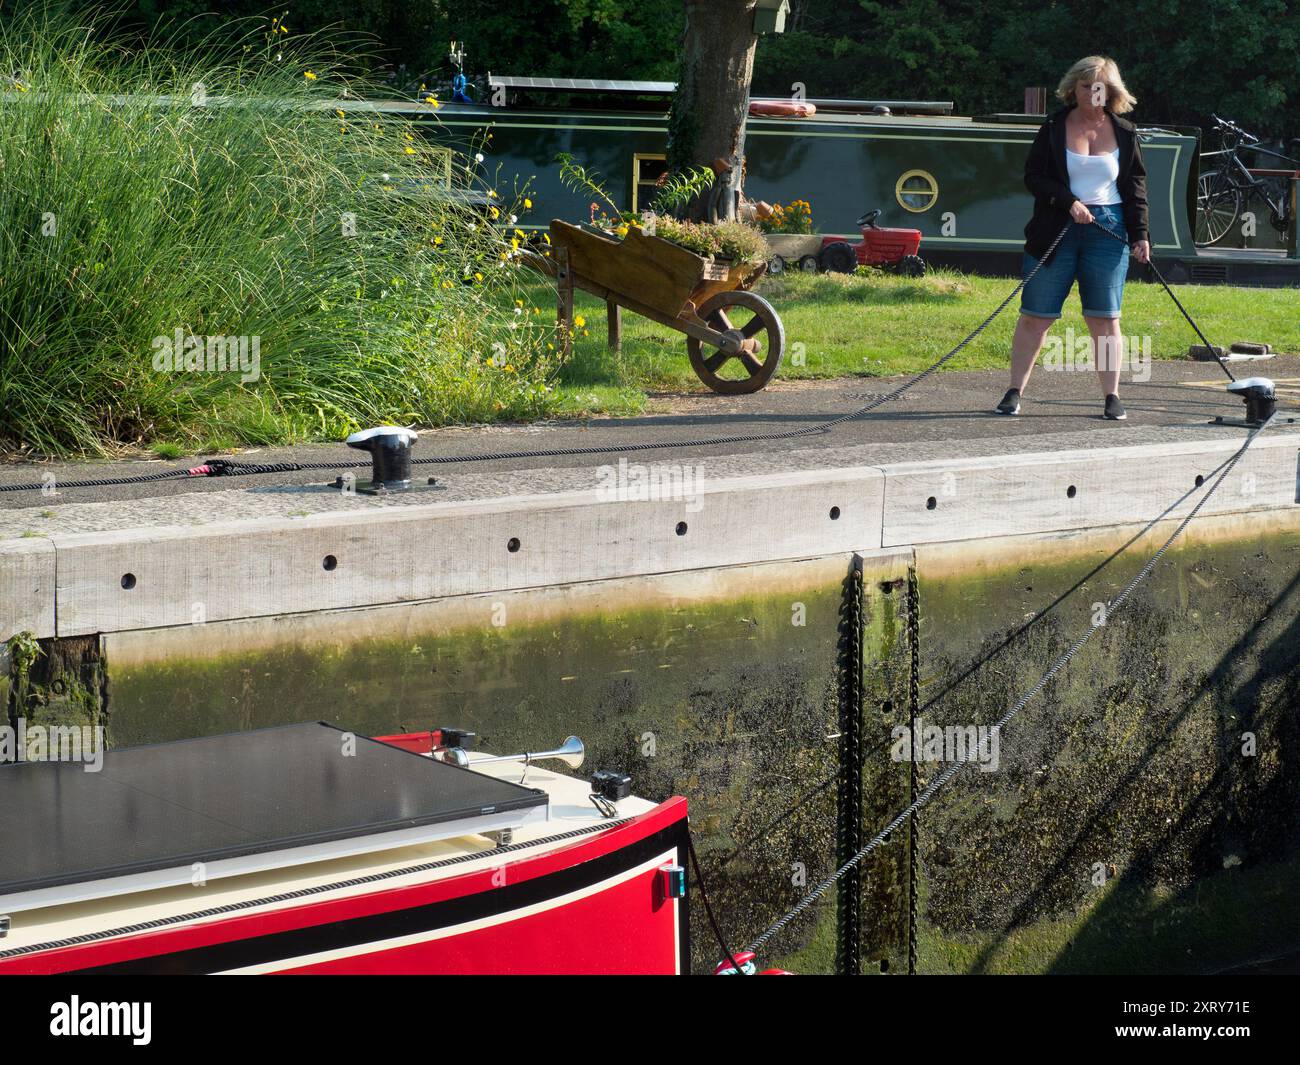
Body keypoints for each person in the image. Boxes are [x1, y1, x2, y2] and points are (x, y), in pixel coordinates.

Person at [997, 56, 1150, 421]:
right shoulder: (1053, 127)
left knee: (1105, 318)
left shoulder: (1125, 132)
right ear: (1074, 88)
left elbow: (1135, 187)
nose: (1093, 93)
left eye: (1100, 87)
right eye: (1086, 86)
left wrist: (1141, 234)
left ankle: (1112, 396)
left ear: (1111, 92)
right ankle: (1014, 391)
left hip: (1108, 228)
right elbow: (1034, 177)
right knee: (1036, 314)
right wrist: (1068, 202)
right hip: (1057, 226)